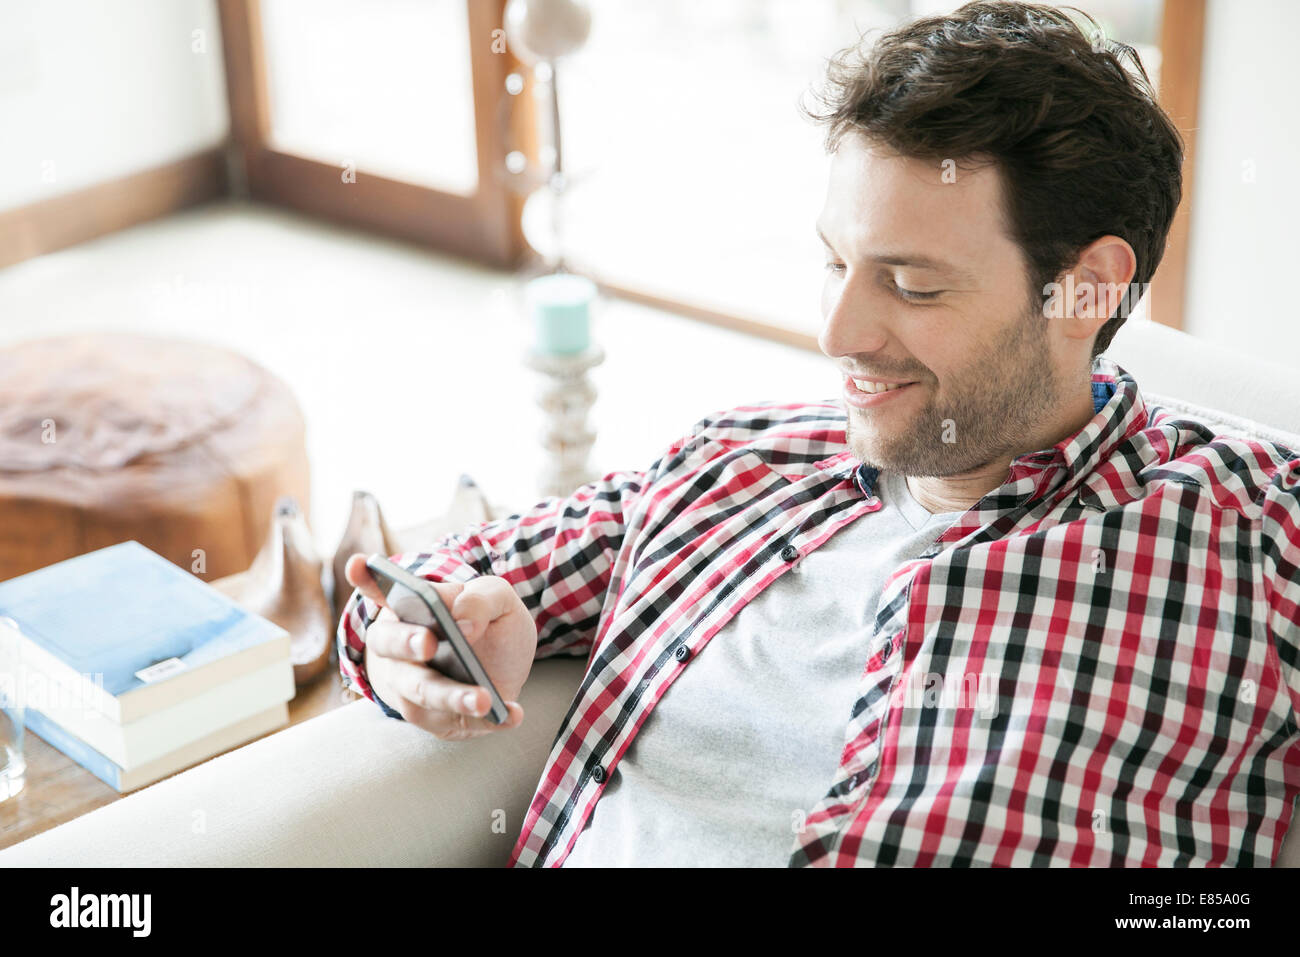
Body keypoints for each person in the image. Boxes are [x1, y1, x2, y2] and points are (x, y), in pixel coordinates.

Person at [337, 1, 1300, 867]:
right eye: (835, 261)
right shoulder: (736, 468)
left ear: (1089, 286)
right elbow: (426, 591)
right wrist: (421, 640)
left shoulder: (1254, 529)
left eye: (913, 284)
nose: (839, 335)